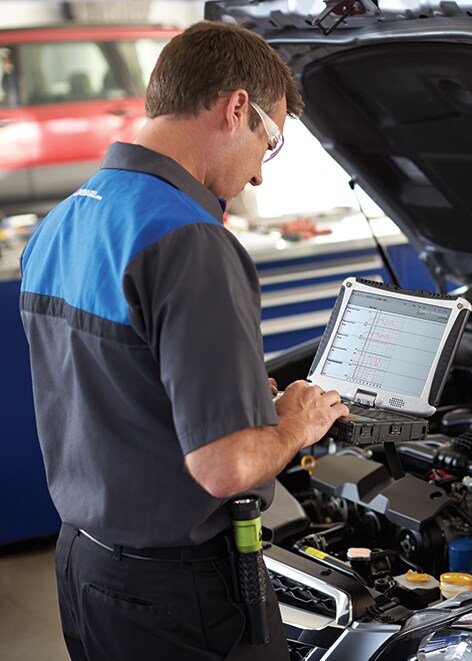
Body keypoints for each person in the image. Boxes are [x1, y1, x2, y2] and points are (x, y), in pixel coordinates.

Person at [19, 21, 348, 661]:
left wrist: (235, 397)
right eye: (271, 143)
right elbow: (224, 467)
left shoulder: (67, 217)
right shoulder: (191, 241)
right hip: (176, 595)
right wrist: (291, 425)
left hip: (85, 566)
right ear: (235, 109)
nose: (259, 177)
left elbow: (116, 387)